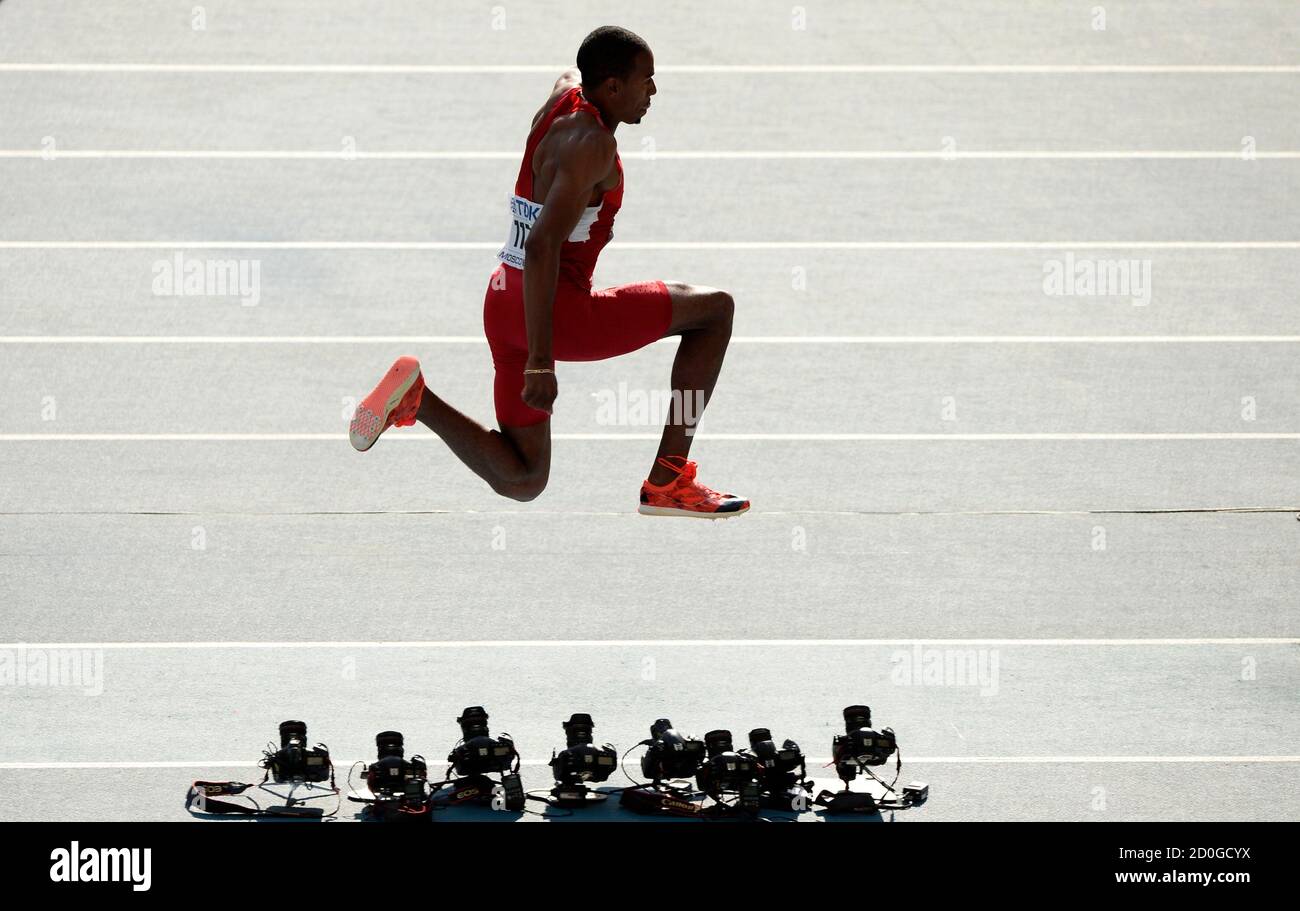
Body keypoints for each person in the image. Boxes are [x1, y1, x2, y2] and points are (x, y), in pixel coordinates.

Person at [350, 25, 748, 518]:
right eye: (645, 79)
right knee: (715, 312)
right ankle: (668, 478)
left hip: (503, 298)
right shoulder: (593, 147)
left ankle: (418, 399)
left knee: (524, 477)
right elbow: (541, 248)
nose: (654, 91)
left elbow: (574, 71)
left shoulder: (565, 93)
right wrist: (541, 361)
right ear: (612, 87)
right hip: (556, 313)